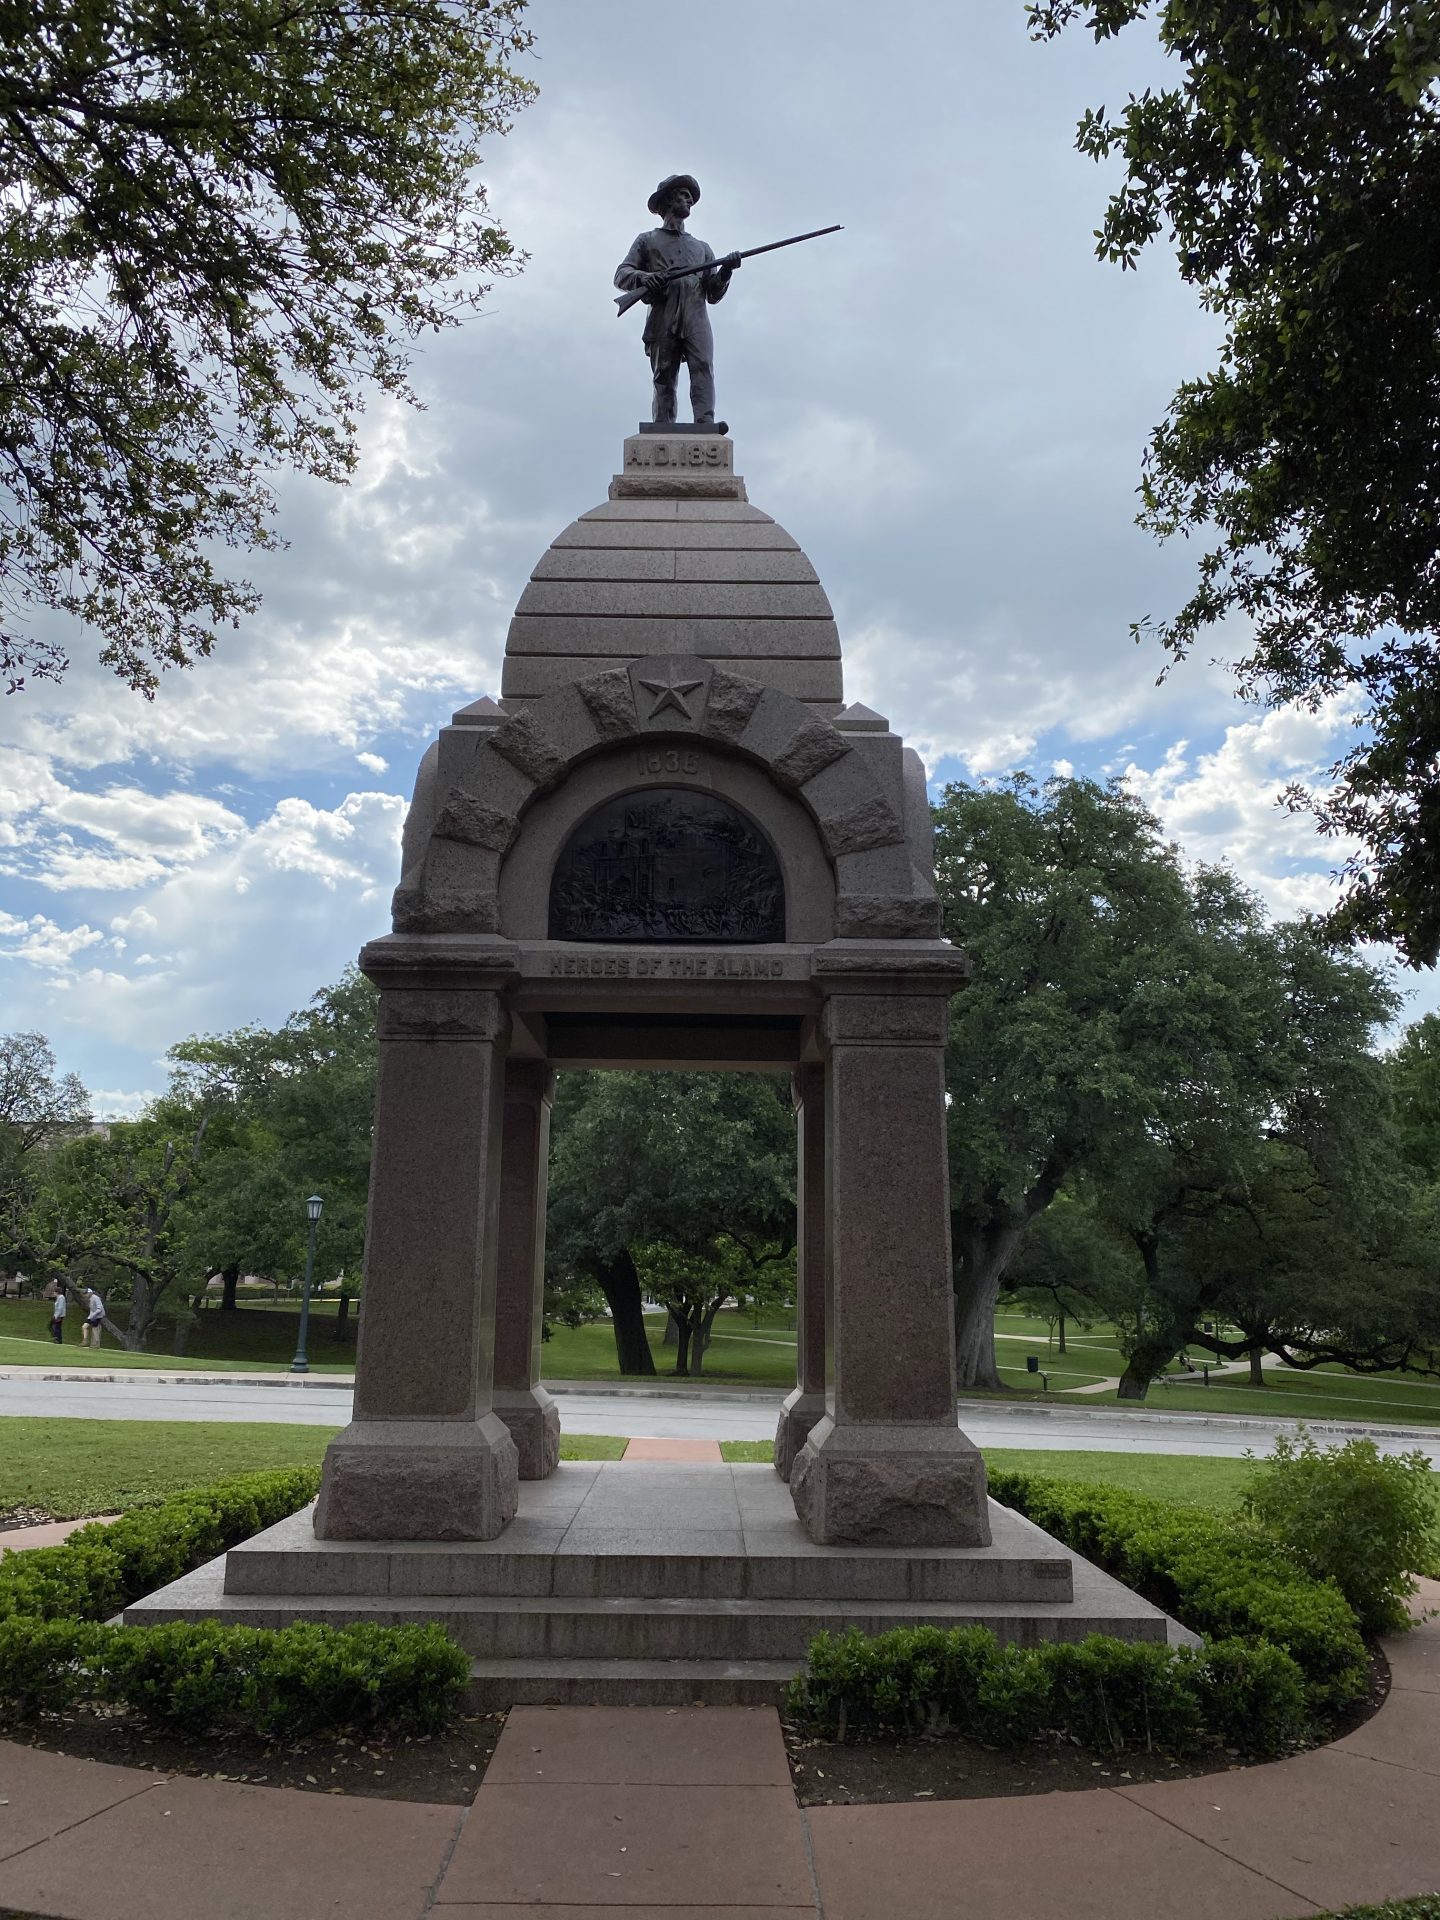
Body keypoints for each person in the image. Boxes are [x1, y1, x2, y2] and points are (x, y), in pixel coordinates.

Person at [614, 173, 741, 428]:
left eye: (690, 197)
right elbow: (622, 275)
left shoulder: (702, 248)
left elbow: (713, 293)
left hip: (695, 316)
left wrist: (726, 271)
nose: (689, 200)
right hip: (664, 315)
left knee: (703, 366)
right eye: (683, 195)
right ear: (669, 201)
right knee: (664, 374)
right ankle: (663, 423)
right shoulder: (647, 240)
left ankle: (705, 422)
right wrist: (645, 278)